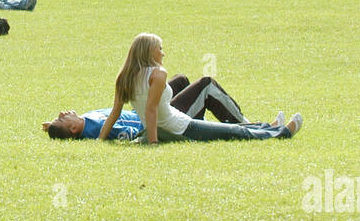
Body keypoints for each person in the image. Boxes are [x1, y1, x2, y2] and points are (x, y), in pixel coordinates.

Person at [96, 34, 303, 143]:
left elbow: (115, 112)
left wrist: (100, 140)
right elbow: (150, 110)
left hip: (178, 123)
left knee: (233, 130)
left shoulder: (125, 77)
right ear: (149, 51)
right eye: (160, 48)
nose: (163, 53)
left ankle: (270, 127)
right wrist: (153, 142)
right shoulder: (158, 74)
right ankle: (282, 133)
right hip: (180, 128)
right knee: (236, 133)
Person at [43, 73, 252, 139]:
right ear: (73, 129)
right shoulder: (95, 128)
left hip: (145, 110)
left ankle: (201, 123)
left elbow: (61, 130)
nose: (62, 112)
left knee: (180, 80)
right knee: (206, 85)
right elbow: (132, 134)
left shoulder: (82, 122)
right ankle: (247, 125)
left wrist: (51, 126)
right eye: (61, 118)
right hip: (155, 116)